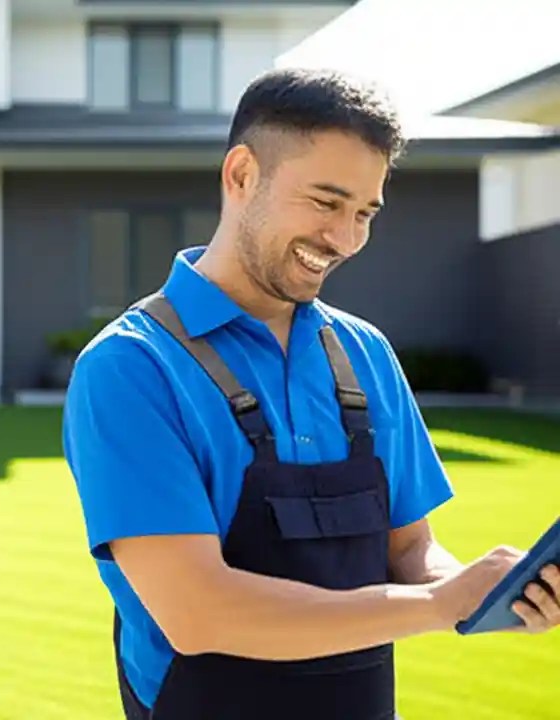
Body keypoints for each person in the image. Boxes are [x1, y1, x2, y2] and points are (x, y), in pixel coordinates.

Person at [61, 67, 560, 720]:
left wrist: (493, 590)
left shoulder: (365, 355)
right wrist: (440, 606)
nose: (346, 238)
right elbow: (197, 614)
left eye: (363, 213)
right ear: (241, 176)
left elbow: (408, 550)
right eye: (326, 203)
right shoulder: (131, 368)